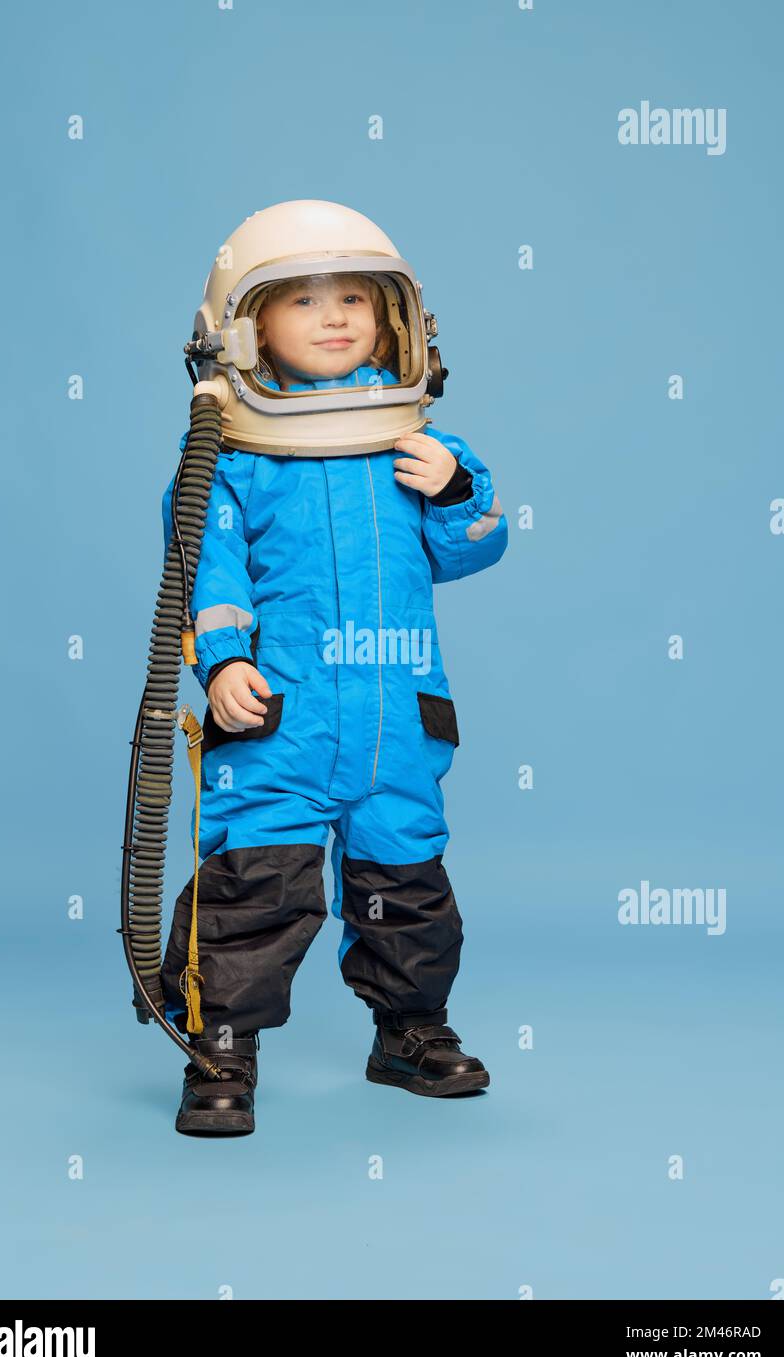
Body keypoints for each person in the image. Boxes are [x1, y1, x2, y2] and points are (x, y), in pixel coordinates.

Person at [159, 202, 509, 1136]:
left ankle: (411, 1031)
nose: (336, 315)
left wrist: (457, 488)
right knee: (256, 887)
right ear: (243, 326)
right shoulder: (230, 458)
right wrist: (224, 665)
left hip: (396, 720)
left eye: (355, 296)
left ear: (397, 315)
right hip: (281, 720)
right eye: (305, 300)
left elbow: (474, 547)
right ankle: (220, 1044)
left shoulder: (420, 444)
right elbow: (207, 571)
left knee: (408, 887)